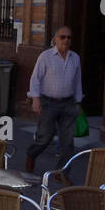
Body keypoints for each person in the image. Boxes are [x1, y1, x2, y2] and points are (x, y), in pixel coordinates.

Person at [25, 26, 83, 173]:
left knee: (68, 142)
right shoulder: (45, 56)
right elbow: (35, 79)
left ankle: (61, 173)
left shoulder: (75, 58)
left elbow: (77, 81)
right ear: (55, 39)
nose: (66, 40)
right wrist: (35, 99)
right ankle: (31, 155)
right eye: (62, 37)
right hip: (48, 103)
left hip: (68, 103)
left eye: (69, 37)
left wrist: (78, 102)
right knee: (45, 137)